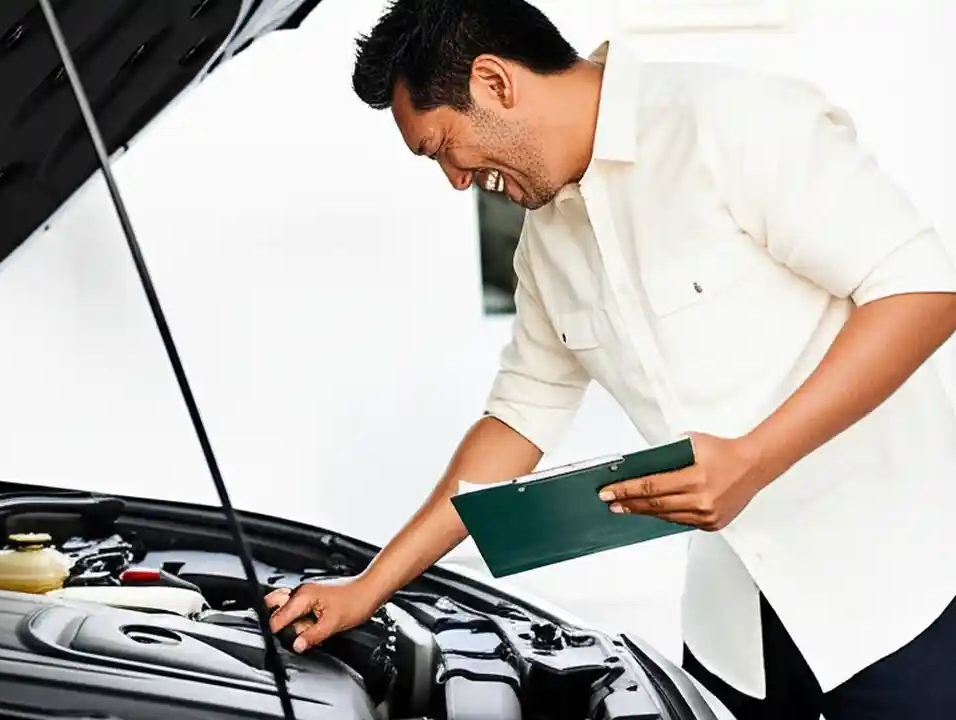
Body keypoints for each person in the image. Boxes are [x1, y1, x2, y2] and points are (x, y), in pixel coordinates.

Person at [265, 1, 956, 717]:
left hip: (898, 599)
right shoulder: (544, 247)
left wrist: (755, 457)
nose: (456, 180)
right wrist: (370, 586)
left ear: (495, 82)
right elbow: (517, 420)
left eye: (442, 146)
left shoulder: (732, 123)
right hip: (734, 632)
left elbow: (923, 290)